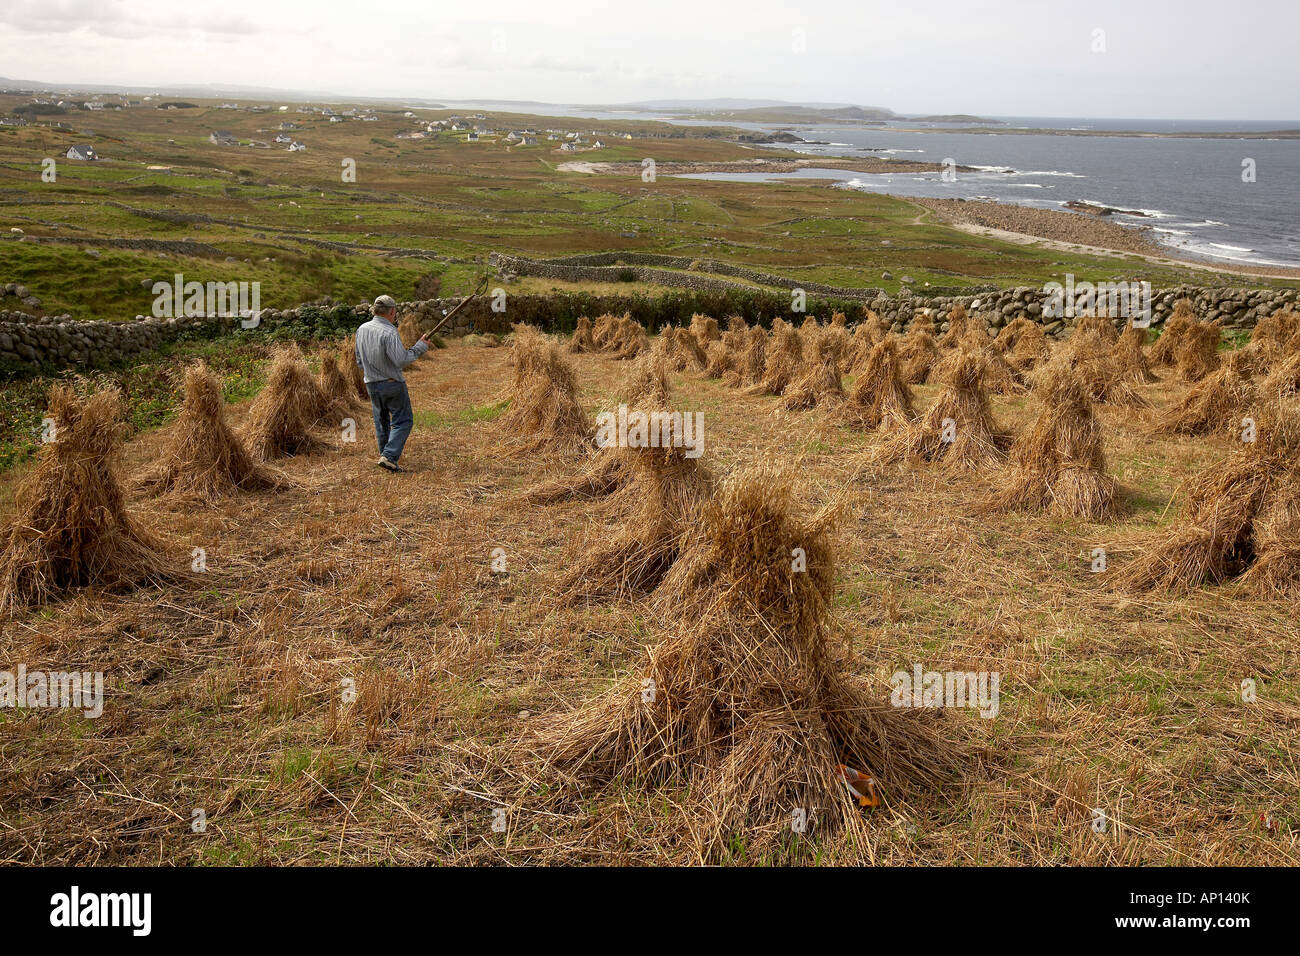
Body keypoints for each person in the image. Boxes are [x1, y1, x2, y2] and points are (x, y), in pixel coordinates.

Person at [354, 294, 435, 472]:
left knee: (381, 421)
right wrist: (420, 346)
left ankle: (386, 458)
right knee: (403, 420)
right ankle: (389, 456)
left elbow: (359, 361)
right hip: (391, 384)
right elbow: (400, 360)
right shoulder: (389, 331)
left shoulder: (362, 329)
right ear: (391, 312)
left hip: (371, 383)